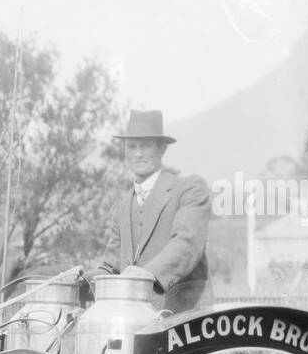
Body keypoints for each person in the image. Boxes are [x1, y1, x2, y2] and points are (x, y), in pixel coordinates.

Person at [80, 109, 213, 314]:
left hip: (187, 323)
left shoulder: (190, 189)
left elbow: (186, 244)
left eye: (146, 145)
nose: (138, 153)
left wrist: (145, 275)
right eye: (131, 146)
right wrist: (80, 280)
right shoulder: (123, 208)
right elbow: (111, 268)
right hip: (138, 323)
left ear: (162, 149)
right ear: (124, 151)